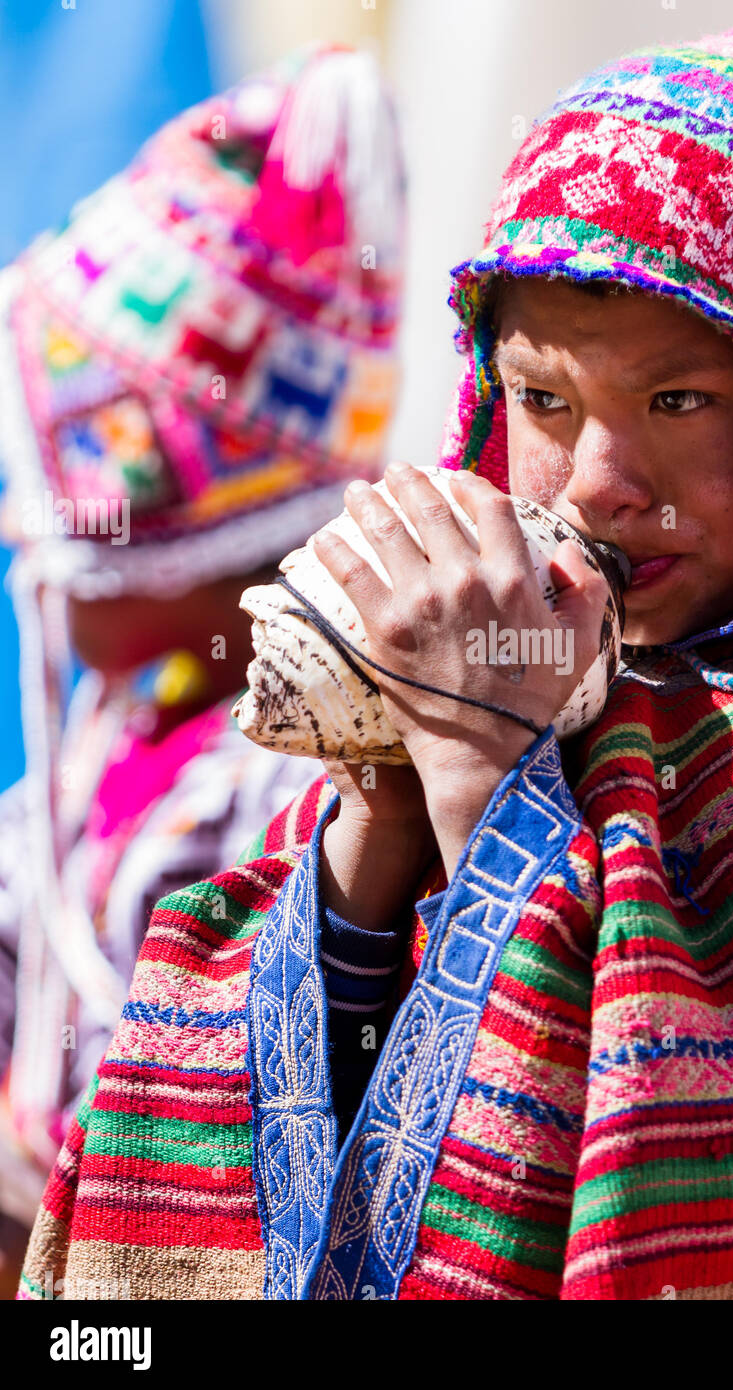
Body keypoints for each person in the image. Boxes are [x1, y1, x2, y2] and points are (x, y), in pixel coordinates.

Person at [20, 28, 733, 1302]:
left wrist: (477, 769)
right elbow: (266, 1112)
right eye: (545, 405)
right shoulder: (518, 655)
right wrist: (378, 821)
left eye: (676, 404)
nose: (602, 486)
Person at [0, 43, 404, 1293]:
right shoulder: (130, 726)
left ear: (162, 512)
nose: (21, 528)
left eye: (43, 482)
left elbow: (175, 1189)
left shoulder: (269, 788)